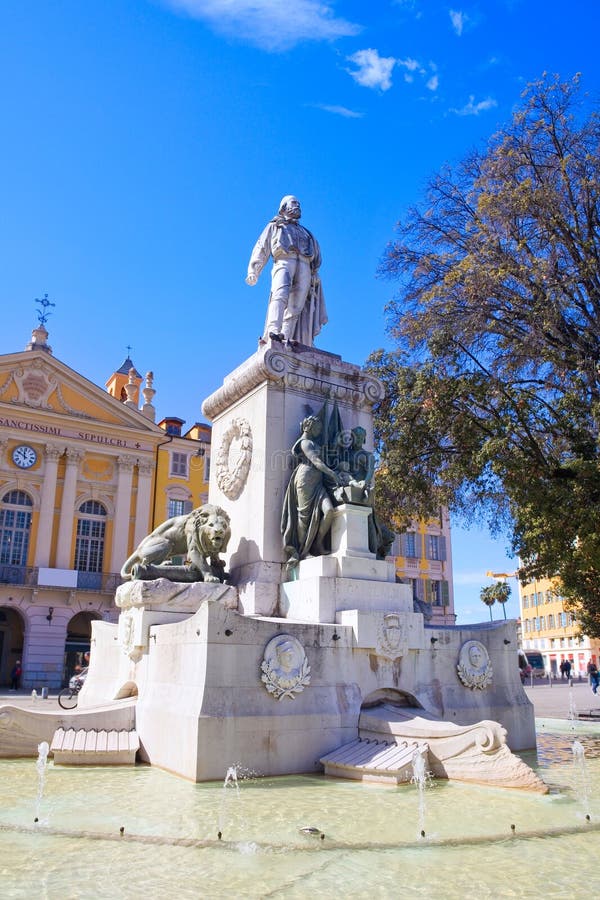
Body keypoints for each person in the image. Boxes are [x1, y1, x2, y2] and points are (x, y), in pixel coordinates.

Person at [246, 195, 327, 346]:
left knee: (297, 303)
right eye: (294, 203)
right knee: (280, 294)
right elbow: (261, 247)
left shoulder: (306, 232)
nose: (298, 206)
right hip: (284, 261)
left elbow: (316, 254)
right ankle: (273, 331)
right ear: (283, 206)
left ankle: (286, 334)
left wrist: (314, 271)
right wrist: (253, 270)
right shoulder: (275, 226)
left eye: (299, 204)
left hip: (304, 264)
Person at [281, 415, 342, 570]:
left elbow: (323, 459)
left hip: (318, 482)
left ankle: (318, 543)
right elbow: (316, 461)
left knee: (329, 511)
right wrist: (332, 474)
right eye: (318, 428)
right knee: (304, 517)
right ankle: (303, 551)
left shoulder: (314, 443)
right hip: (305, 481)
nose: (320, 430)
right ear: (309, 427)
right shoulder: (305, 443)